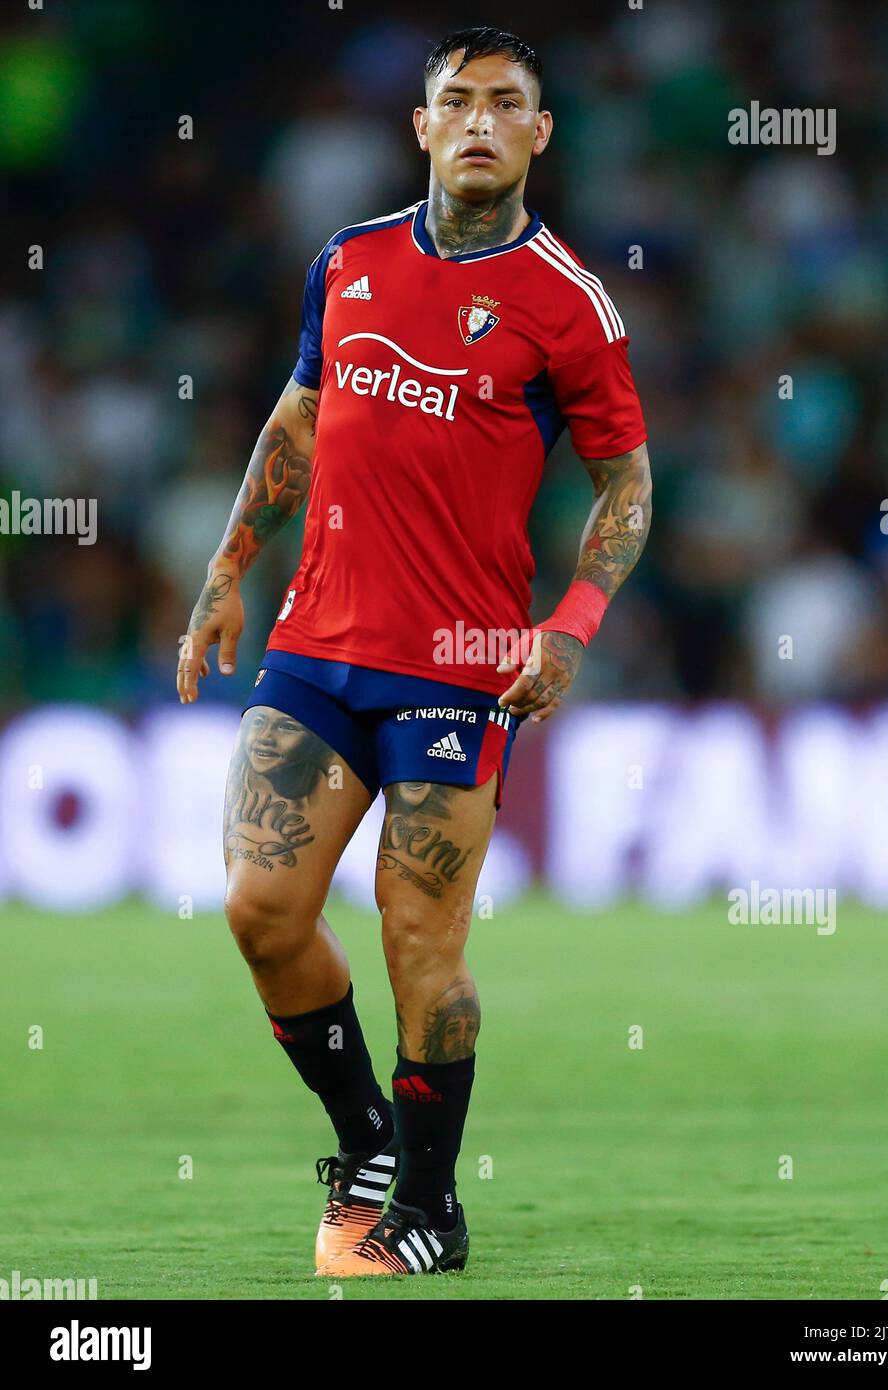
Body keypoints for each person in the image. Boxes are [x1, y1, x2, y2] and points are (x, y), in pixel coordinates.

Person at [177, 24, 651, 1277]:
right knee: (260, 907)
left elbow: (628, 487)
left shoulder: (570, 304)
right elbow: (300, 413)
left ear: (540, 135)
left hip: (460, 660)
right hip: (315, 645)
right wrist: (226, 573)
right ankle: (368, 1142)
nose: (483, 120)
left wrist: (570, 626)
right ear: (424, 126)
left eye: (509, 104)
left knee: (418, 940)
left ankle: (431, 1211)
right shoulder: (350, 260)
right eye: (459, 100)